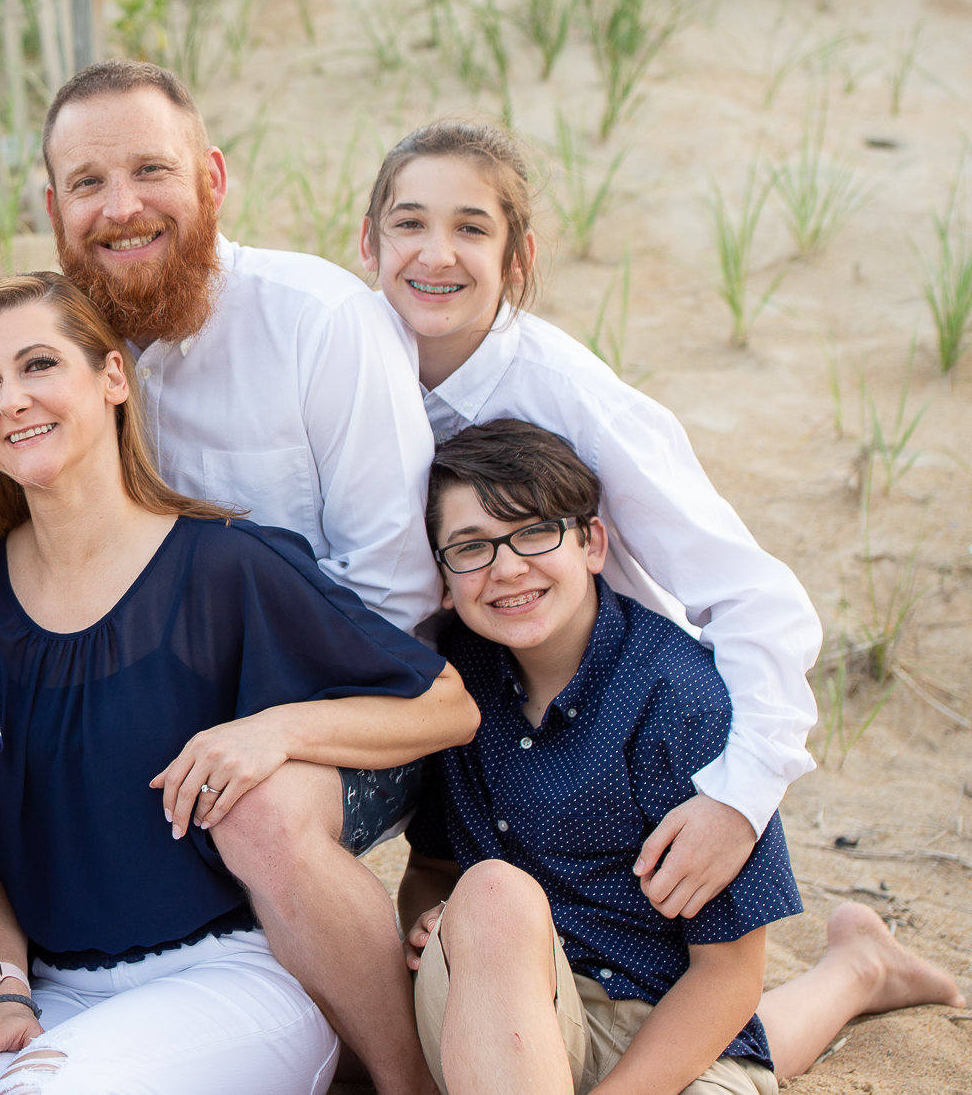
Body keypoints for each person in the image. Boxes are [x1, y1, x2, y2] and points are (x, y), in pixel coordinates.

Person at [0, 273, 475, 1095]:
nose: (11, 398)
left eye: (37, 365)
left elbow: (447, 705)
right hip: (57, 996)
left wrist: (275, 732)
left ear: (110, 379)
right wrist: (4, 990)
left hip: (234, 981)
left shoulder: (225, 563)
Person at [38, 61, 443, 1092]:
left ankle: (395, 1080)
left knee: (254, 806)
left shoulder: (318, 321)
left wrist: (271, 730)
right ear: (50, 207)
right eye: (86, 183)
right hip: (159, 726)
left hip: (351, 710)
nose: (119, 207)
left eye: (149, 171)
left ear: (211, 178)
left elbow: (396, 606)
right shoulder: (59, 355)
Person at [400, 419, 963, 1095]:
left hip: (665, 1017)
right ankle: (859, 966)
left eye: (534, 531)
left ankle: (858, 968)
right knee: (488, 892)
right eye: (471, 547)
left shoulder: (683, 699)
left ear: (592, 542)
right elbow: (430, 868)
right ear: (442, 575)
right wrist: (432, 918)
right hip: (510, 1008)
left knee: (726, 1063)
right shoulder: (453, 687)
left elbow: (728, 976)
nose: (507, 566)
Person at [357, 119, 821, 918]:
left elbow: (754, 595)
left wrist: (739, 797)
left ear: (518, 258)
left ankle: (851, 972)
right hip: (476, 713)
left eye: (471, 227)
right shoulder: (350, 372)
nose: (435, 253)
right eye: (410, 223)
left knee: (641, 984)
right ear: (369, 243)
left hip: (611, 717)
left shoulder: (573, 400)